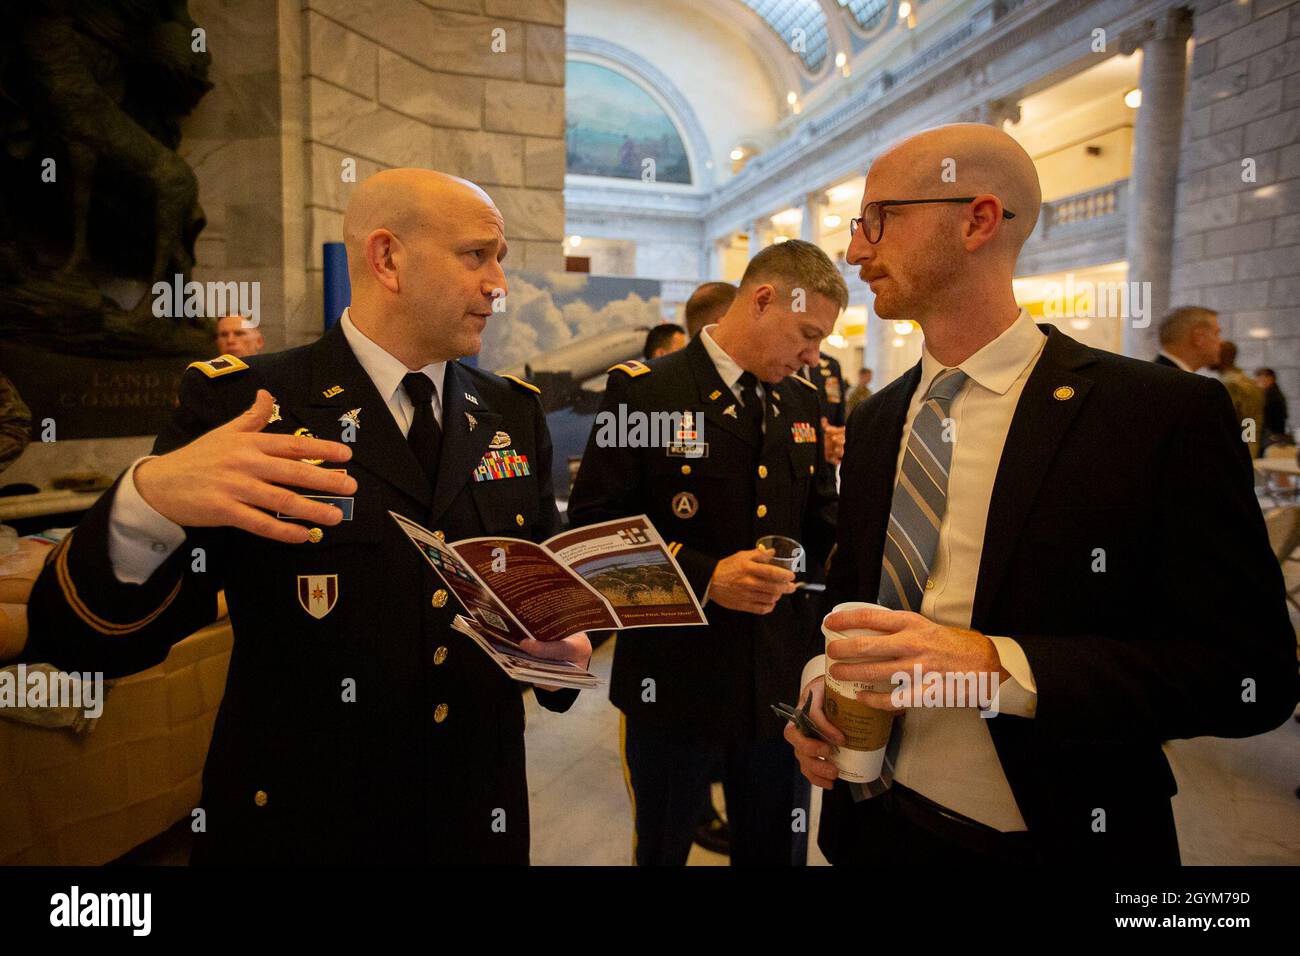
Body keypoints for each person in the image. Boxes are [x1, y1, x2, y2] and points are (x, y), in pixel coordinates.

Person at [14, 169, 591, 864]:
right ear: (387, 259)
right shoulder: (251, 404)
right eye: (477, 255)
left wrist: (560, 656)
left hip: (476, 819)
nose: (500, 282)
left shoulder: (511, 411)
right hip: (305, 829)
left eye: (500, 258)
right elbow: (95, 640)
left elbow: (538, 601)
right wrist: (148, 499)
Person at [783, 123, 1297, 865]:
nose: (857, 248)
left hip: (1055, 832)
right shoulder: (876, 419)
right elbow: (855, 594)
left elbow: (1249, 675)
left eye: (879, 217)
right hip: (872, 824)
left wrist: (1000, 669)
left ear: (978, 220)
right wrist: (816, 692)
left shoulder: (1153, 414)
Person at [568, 239, 843, 865]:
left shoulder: (799, 400)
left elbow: (820, 524)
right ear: (763, 299)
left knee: (777, 849)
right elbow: (592, 532)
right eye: (806, 333)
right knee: (664, 847)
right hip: (675, 677)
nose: (813, 354)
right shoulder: (648, 392)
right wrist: (704, 576)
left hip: (777, 677)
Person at [1214, 341, 1267, 459]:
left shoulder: (1229, 383)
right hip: (1248, 444)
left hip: (1233, 450)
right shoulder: (1247, 381)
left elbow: (1224, 421)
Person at [800, 352, 847, 465]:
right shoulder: (786, 363)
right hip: (800, 446)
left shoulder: (831, 364)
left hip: (829, 450)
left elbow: (836, 402)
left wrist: (838, 435)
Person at [1154, 306, 1221, 372]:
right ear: (1198, 338)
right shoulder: (1177, 380)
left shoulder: (1156, 373)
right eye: (1216, 334)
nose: (1220, 342)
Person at [1254, 367, 1290, 447]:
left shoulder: (1271, 396)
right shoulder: (1273, 393)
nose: (1257, 382)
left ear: (1270, 379)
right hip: (1274, 436)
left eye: (1261, 379)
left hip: (1271, 437)